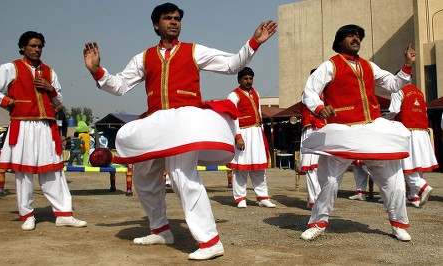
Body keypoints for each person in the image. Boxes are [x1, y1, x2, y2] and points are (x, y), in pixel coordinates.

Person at [83, 2, 277, 260]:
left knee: (183, 178)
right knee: (144, 178)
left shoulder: (194, 51)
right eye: (168, 18)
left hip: (184, 123)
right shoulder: (143, 57)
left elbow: (231, 64)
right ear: (156, 24)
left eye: (177, 18)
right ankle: (161, 229)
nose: (174, 22)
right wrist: (97, 71)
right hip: (154, 123)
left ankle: (210, 241)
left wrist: (254, 42)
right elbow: (119, 85)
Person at [300, 24, 416, 242]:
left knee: (392, 177)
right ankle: (317, 223)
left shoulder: (369, 65)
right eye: (350, 35)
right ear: (340, 41)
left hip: (372, 127)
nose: (355, 39)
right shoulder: (329, 66)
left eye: (358, 36)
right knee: (330, 181)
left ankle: (398, 223)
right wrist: (318, 107)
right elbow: (310, 92)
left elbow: (392, 84)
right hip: (342, 129)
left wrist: (407, 66)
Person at [0, 31, 87, 230]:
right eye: (32, 46)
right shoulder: (10, 68)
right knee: (24, 170)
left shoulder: (50, 71)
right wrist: (5, 101)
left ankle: (64, 213)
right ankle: (27, 214)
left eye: (40, 46)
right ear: (22, 47)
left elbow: (59, 101)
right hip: (23, 124)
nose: (37, 49)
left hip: (46, 126)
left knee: (54, 170)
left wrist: (50, 88)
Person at [226, 67, 276, 209]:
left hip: (256, 132)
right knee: (241, 168)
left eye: (251, 78)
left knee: (259, 167)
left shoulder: (256, 93)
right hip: (243, 132)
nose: (248, 81)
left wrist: (261, 134)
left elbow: (259, 115)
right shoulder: (233, 96)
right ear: (239, 79)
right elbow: (233, 118)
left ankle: (263, 197)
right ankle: (240, 198)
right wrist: (238, 137)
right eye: (245, 79)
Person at [384, 84, 438, 207]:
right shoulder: (419, 92)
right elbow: (424, 112)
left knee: (405, 162)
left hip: (407, 130)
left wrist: (384, 120)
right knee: (417, 163)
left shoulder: (398, 90)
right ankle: (414, 196)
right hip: (422, 131)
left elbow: (393, 110)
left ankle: (421, 186)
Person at [299, 69, 325, 208]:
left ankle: (319, 198)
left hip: (325, 130)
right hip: (311, 130)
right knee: (311, 167)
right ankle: (313, 199)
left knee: (323, 167)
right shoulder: (307, 94)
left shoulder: (328, 93)